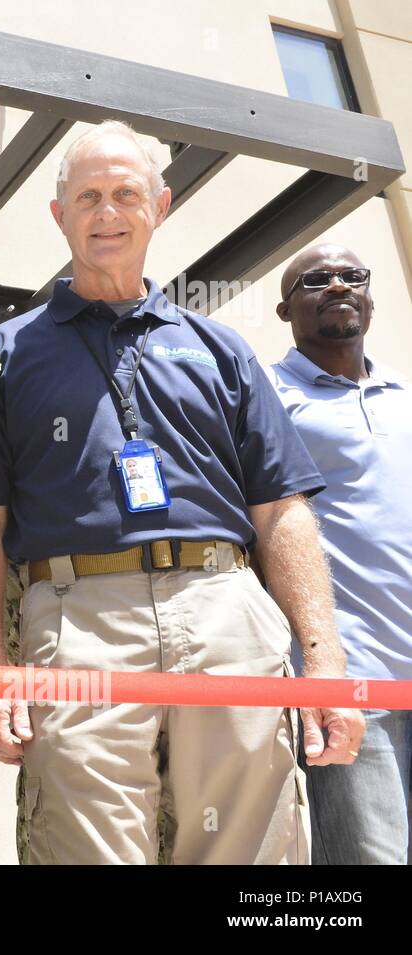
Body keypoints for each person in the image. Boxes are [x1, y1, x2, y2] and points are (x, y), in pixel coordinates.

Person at [0, 120, 364, 865]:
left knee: (254, 854)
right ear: (59, 215)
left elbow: (282, 513)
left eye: (124, 194)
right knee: (83, 848)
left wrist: (326, 668)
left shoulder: (221, 348)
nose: (106, 212)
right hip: (77, 619)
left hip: (228, 611)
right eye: (87, 196)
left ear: (161, 205)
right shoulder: (3, 353)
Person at [269, 243, 412, 864]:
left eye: (353, 276)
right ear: (284, 309)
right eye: (316, 279)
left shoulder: (402, 396)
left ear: (371, 297)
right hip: (349, 686)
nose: (337, 285)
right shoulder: (268, 397)